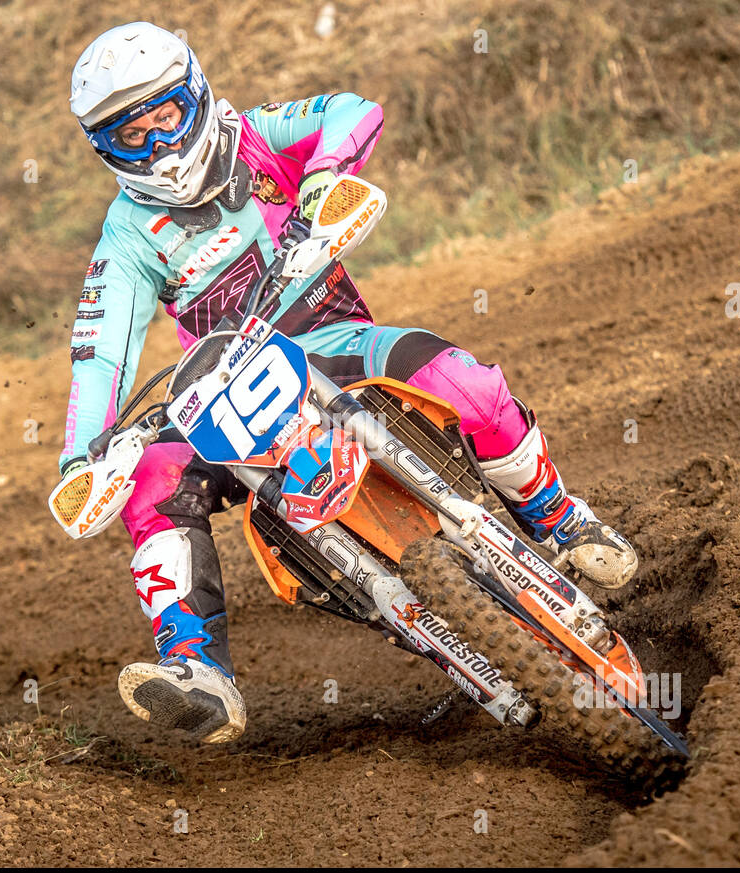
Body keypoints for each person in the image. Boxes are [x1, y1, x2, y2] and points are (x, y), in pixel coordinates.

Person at [59, 22, 637, 743]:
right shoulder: (126, 236)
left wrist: (325, 175)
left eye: (166, 117)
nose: (157, 146)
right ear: (104, 149)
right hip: (221, 396)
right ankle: (198, 671)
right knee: (149, 481)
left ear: (196, 96)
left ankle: (557, 515)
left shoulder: (256, 134)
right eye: (130, 137)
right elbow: (100, 350)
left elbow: (353, 109)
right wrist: (86, 454)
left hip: (329, 343)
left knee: (469, 382)